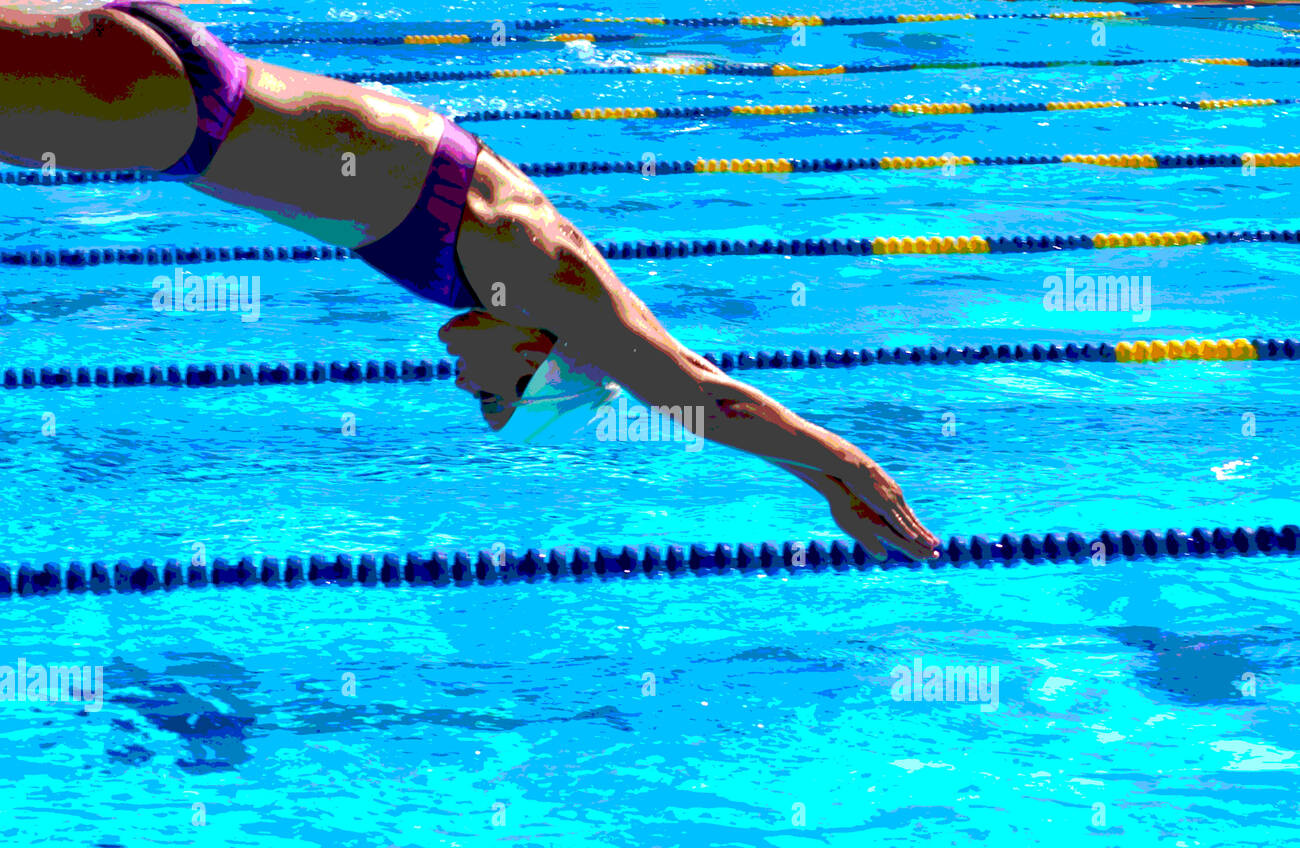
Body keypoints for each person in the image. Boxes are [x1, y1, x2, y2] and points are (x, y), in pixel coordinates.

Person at [0, 0, 941, 562]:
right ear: (543, 353)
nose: (460, 380)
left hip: (170, 86)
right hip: (160, 111)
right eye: (493, 389)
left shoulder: (509, 274)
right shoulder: (543, 272)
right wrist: (838, 470)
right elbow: (695, 392)